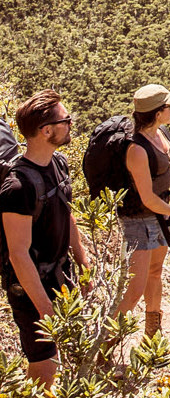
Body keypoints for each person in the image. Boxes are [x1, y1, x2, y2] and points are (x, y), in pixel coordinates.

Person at [0, 90, 90, 388]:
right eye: (65, 120)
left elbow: (68, 216)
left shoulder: (60, 164)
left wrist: (84, 264)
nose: (71, 123)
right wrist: (46, 310)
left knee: (59, 357)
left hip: (61, 275)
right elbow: (18, 254)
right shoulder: (17, 186)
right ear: (46, 130)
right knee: (44, 366)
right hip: (30, 288)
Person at [114, 84, 170, 339]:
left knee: (155, 273)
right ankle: (104, 345)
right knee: (134, 288)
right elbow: (146, 198)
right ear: (157, 112)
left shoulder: (161, 134)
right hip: (139, 219)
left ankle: (152, 333)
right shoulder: (136, 149)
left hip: (161, 213)